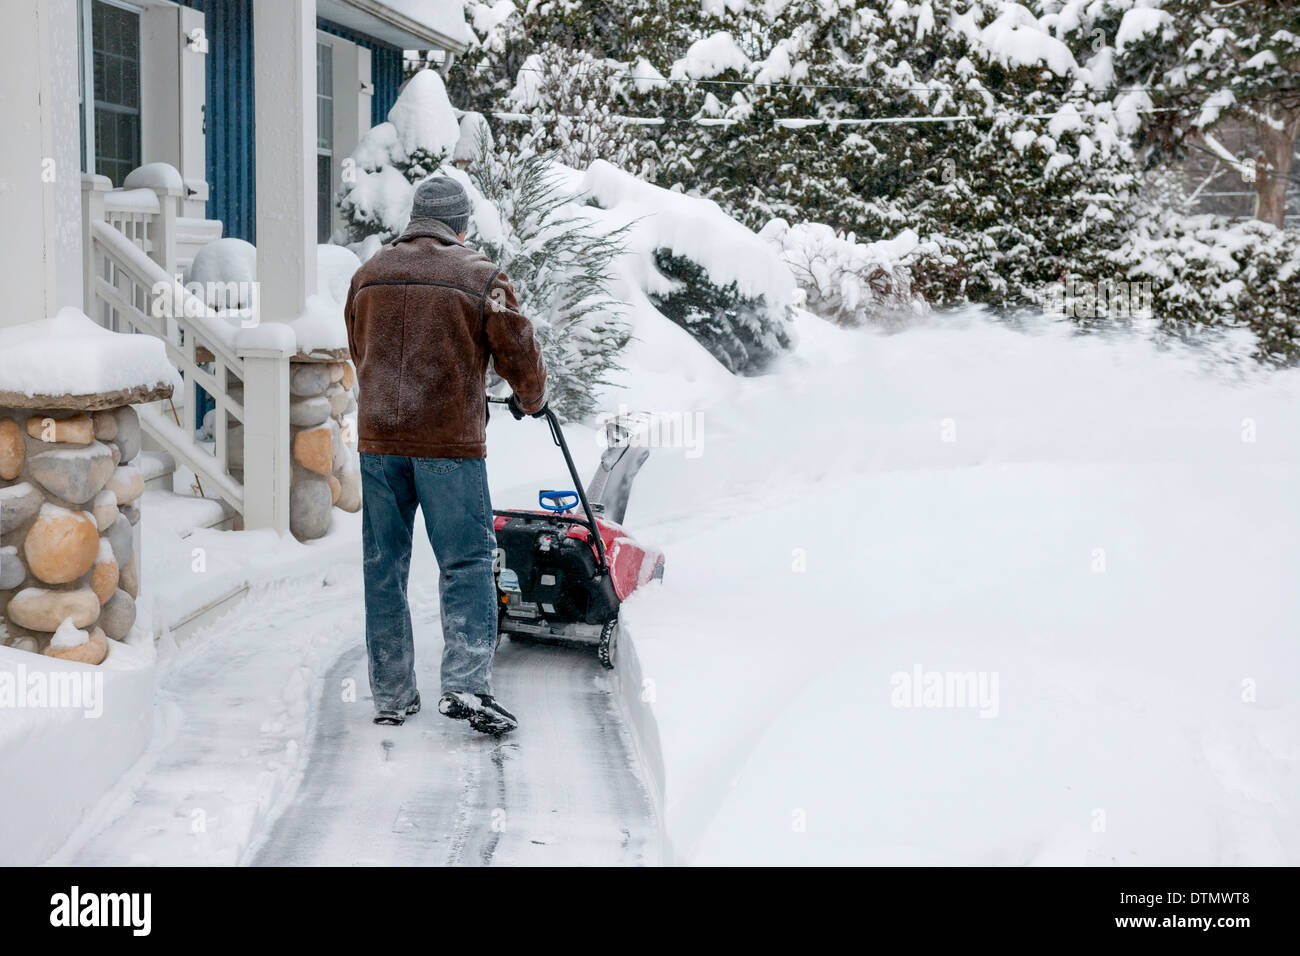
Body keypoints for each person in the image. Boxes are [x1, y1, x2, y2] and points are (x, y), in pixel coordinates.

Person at [343, 176, 547, 735]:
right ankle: (465, 684)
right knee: (467, 561)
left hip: (380, 444)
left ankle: (390, 693)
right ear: (461, 225)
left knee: (384, 566)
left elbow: (357, 347)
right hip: (448, 446)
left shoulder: (368, 275)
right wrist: (532, 396)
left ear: (414, 220)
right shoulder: (481, 276)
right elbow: (518, 347)